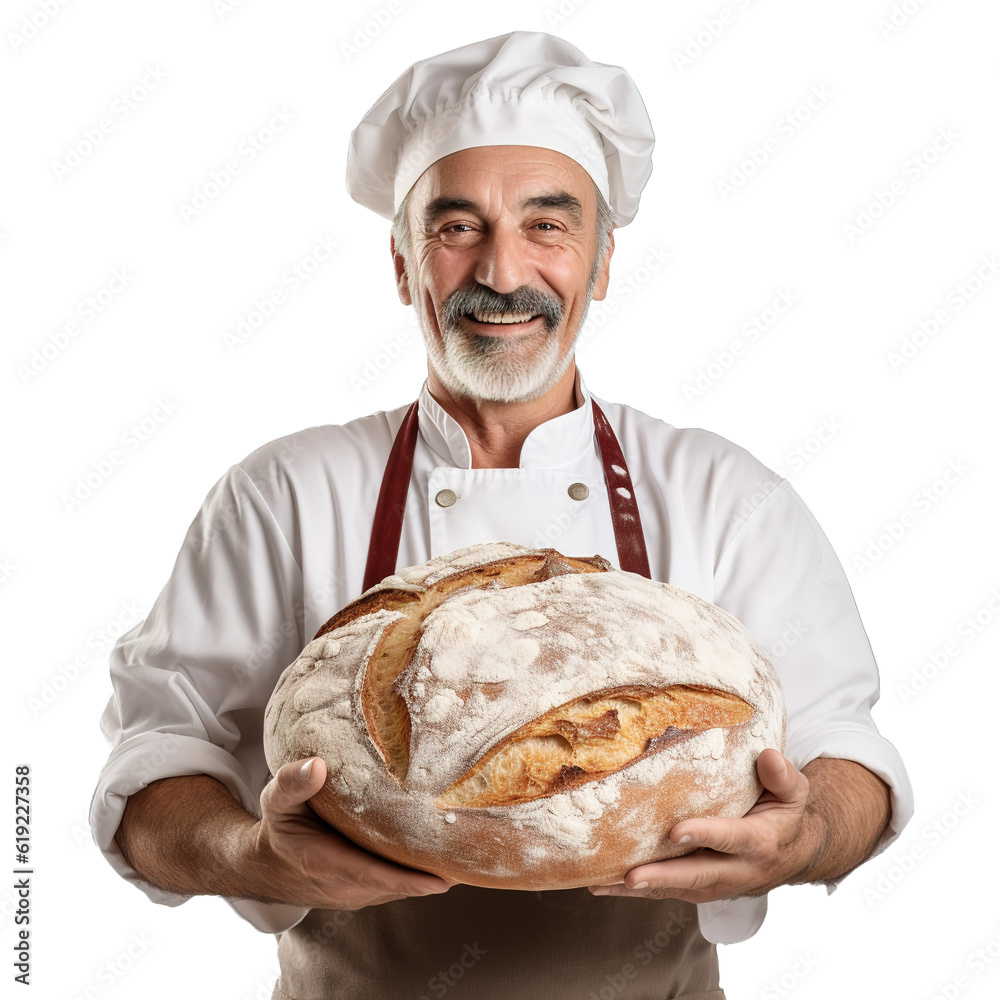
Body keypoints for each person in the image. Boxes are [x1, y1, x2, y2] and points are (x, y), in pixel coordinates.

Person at [91, 31, 913, 1000]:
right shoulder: (285, 488)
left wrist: (809, 832)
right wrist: (245, 850)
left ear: (601, 261)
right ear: (403, 266)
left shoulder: (725, 491)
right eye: (455, 227)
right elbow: (156, 753)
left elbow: (842, 746)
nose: (503, 270)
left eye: (548, 225)